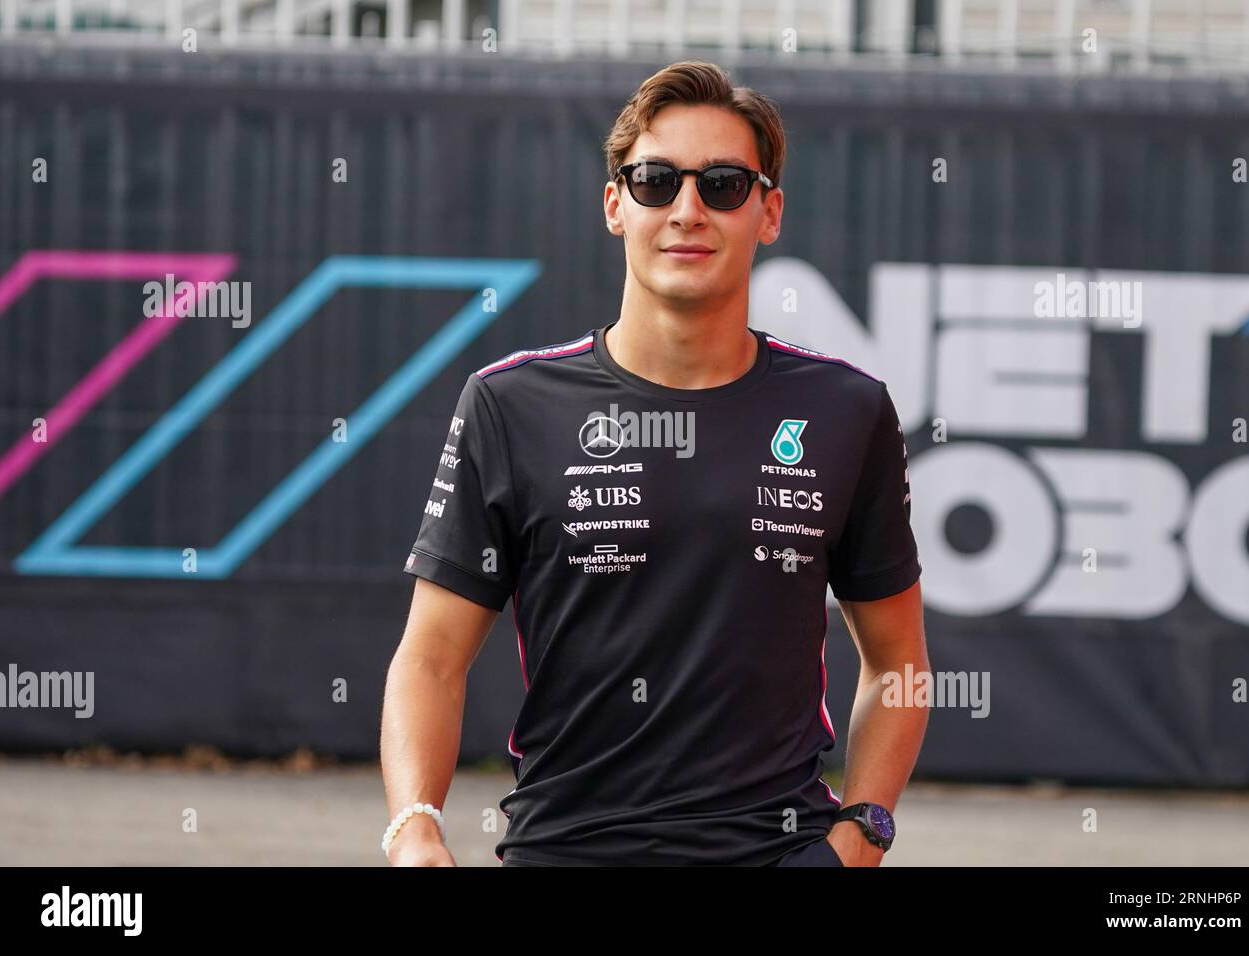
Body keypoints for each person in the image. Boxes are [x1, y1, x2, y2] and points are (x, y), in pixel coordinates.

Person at [380, 59, 930, 867]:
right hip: (566, 852)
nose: (687, 209)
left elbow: (900, 664)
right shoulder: (509, 404)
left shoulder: (847, 411)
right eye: (656, 181)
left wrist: (864, 831)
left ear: (769, 212)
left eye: (724, 185)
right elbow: (429, 657)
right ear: (616, 205)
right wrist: (414, 828)